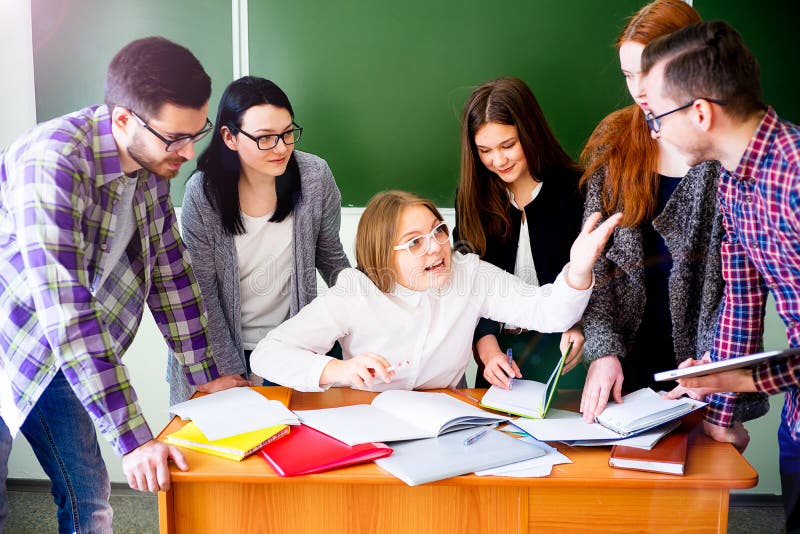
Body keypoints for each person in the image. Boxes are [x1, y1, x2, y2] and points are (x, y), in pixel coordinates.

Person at [0, 37, 249, 532]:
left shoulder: (152, 165)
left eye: (195, 132)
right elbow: (67, 312)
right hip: (20, 344)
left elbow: (169, 272)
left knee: (90, 499)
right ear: (122, 120)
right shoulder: (53, 161)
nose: (189, 151)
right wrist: (134, 438)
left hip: (68, 355)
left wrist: (205, 374)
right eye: (175, 137)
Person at [639, 20, 800, 532]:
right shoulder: (732, 183)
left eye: (657, 117)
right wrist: (721, 411)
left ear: (701, 112)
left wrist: (748, 378)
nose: (656, 132)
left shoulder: (795, 177)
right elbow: (742, 302)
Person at [577, 0, 761, 424]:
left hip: (703, 371)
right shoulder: (615, 142)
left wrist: (716, 374)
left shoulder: (722, 151)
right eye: (628, 75)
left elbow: (740, 288)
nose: (639, 89)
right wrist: (603, 350)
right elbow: (596, 262)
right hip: (623, 374)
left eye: (648, 72)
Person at [250, 190, 621, 392]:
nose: (436, 247)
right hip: (367, 426)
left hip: (444, 426)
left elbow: (552, 312)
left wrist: (579, 268)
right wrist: (338, 369)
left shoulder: (470, 274)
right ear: (383, 255)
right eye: (414, 243)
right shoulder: (356, 291)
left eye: (438, 231)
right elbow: (267, 355)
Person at [167, 76, 350, 404]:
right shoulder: (203, 193)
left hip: (289, 348)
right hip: (219, 354)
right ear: (230, 137)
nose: (281, 148)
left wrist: (369, 313)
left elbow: (332, 258)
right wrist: (230, 369)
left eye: (287, 133)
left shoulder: (314, 176)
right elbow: (202, 291)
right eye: (266, 138)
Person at [454, 77, 585, 390]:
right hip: (498, 356)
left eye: (508, 145)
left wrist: (581, 327)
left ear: (530, 132)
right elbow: (465, 282)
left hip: (564, 353)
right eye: (485, 150)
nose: (498, 161)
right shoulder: (471, 197)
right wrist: (486, 349)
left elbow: (598, 276)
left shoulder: (576, 190)